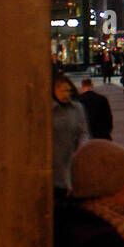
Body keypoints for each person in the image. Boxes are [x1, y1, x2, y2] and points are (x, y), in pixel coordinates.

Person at [53, 69, 88, 198]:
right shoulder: (50, 109)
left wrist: (81, 148)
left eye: (68, 90)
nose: (65, 94)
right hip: (54, 160)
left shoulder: (77, 108)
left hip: (71, 157)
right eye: (62, 90)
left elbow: (83, 132)